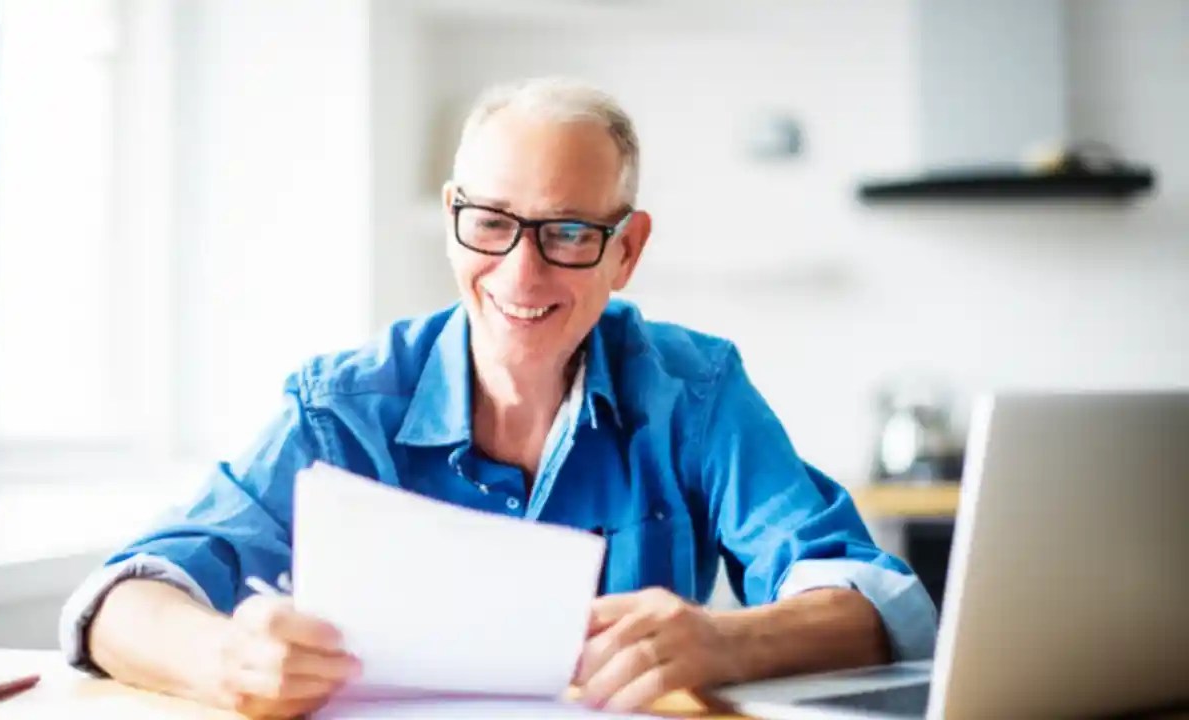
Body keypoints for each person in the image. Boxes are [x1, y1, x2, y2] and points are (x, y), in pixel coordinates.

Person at [60, 77, 937, 719]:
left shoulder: (694, 392)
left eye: (567, 232)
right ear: (452, 217)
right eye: (491, 222)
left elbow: (878, 599)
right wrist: (225, 658)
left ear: (626, 251)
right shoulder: (341, 404)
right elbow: (121, 597)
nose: (521, 272)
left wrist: (726, 639)